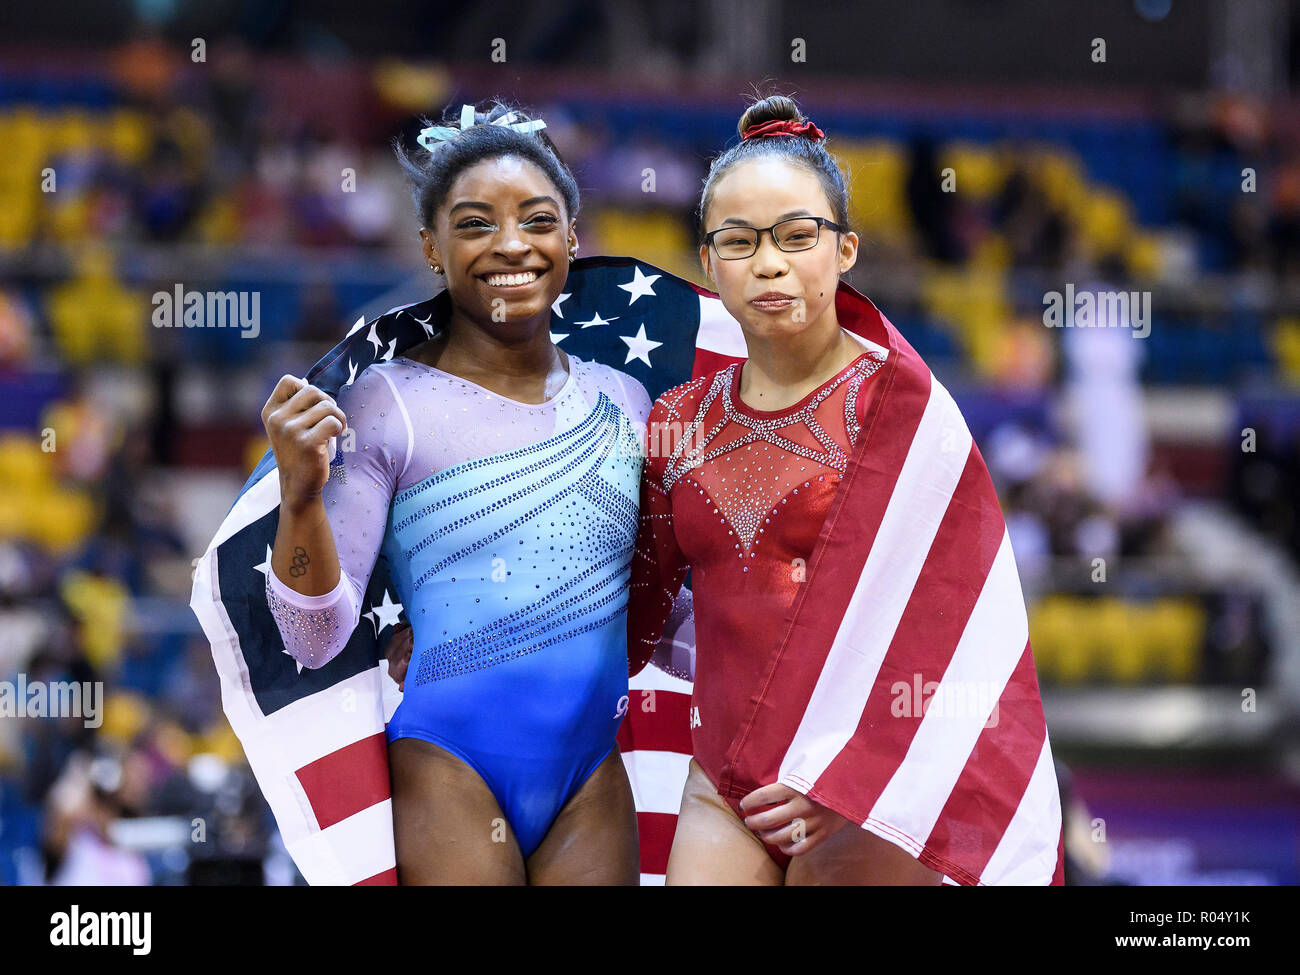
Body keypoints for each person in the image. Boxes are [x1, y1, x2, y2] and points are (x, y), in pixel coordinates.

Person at [259, 101, 653, 885]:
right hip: (452, 764)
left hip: (593, 777)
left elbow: (660, 608)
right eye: (475, 224)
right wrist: (299, 500)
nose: (511, 244)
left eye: (537, 220)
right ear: (431, 249)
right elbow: (313, 639)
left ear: (572, 237)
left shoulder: (629, 401)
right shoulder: (387, 402)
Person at [627, 94, 946, 885]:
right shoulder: (679, 419)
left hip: (873, 788)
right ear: (708, 263)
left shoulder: (899, 409)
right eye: (738, 241)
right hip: (722, 794)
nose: (768, 263)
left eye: (797, 237)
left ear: (844, 250)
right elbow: (632, 619)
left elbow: (944, 628)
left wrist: (853, 778)